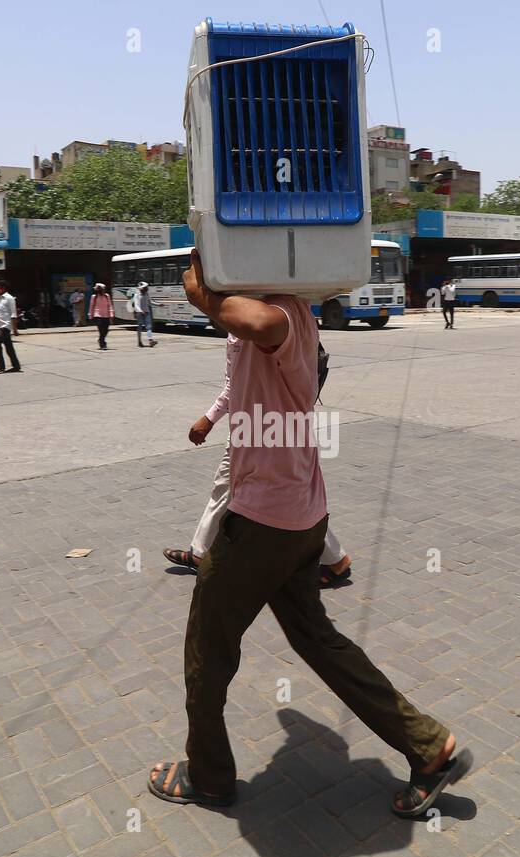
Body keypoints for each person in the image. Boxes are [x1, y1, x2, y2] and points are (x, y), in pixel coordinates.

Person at [147, 249, 469, 818]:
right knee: (318, 642)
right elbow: (239, 355)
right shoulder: (259, 317)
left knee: (207, 653)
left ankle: (210, 776)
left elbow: (258, 324)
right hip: (297, 520)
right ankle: (429, 746)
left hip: (262, 525)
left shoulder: (286, 313)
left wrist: (201, 295)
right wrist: (212, 412)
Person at [162, 332, 352, 587]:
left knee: (290, 492)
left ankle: (335, 559)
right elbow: (236, 383)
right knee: (227, 486)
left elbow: (241, 383)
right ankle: (200, 552)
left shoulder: (259, 324)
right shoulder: (239, 331)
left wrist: (208, 419)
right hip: (249, 427)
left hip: (271, 427)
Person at [0, 280, 21, 373]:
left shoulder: (9, 298)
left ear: (3, 288)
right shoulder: (0, 299)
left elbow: (14, 314)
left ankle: (1, 366)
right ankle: (16, 366)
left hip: (5, 325)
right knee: (9, 347)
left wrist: (15, 329)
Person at [131, 281, 157, 348]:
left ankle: (150, 340)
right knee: (139, 327)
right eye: (145, 287)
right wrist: (140, 311)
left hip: (147, 312)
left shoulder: (147, 294)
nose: (147, 289)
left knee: (149, 326)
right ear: (141, 288)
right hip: (139, 313)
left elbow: (150, 302)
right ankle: (139, 342)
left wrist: (159, 304)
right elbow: (136, 305)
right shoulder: (136, 295)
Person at [90, 282, 114, 350]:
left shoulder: (107, 296)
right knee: (101, 330)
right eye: (101, 289)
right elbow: (91, 306)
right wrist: (90, 315)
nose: (103, 291)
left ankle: (101, 339)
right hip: (98, 315)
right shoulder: (94, 297)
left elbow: (110, 305)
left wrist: (111, 314)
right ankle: (103, 343)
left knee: (106, 330)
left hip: (106, 315)